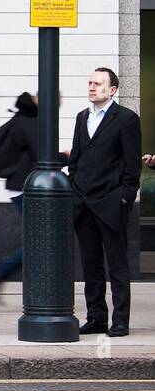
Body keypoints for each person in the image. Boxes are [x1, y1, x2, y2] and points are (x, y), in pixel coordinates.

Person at [68, 68, 140, 337]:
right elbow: (76, 158)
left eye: (97, 83)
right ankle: (96, 316)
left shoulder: (126, 119)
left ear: (112, 90)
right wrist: (75, 186)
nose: (91, 87)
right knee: (91, 265)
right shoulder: (81, 117)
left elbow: (132, 166)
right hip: (84, 204)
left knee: (118, 265)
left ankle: (120, 320)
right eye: (89, 82)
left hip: (111, 203)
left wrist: (124, 197)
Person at [0, 92, 40, 297]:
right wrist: (68, 157)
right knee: (40, 240)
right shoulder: (31, 123)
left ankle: (5, 273)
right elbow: (43, 156)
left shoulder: (17, 120)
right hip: (28, 188)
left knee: (38, 238)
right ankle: (2, 271)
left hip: (17, 186)